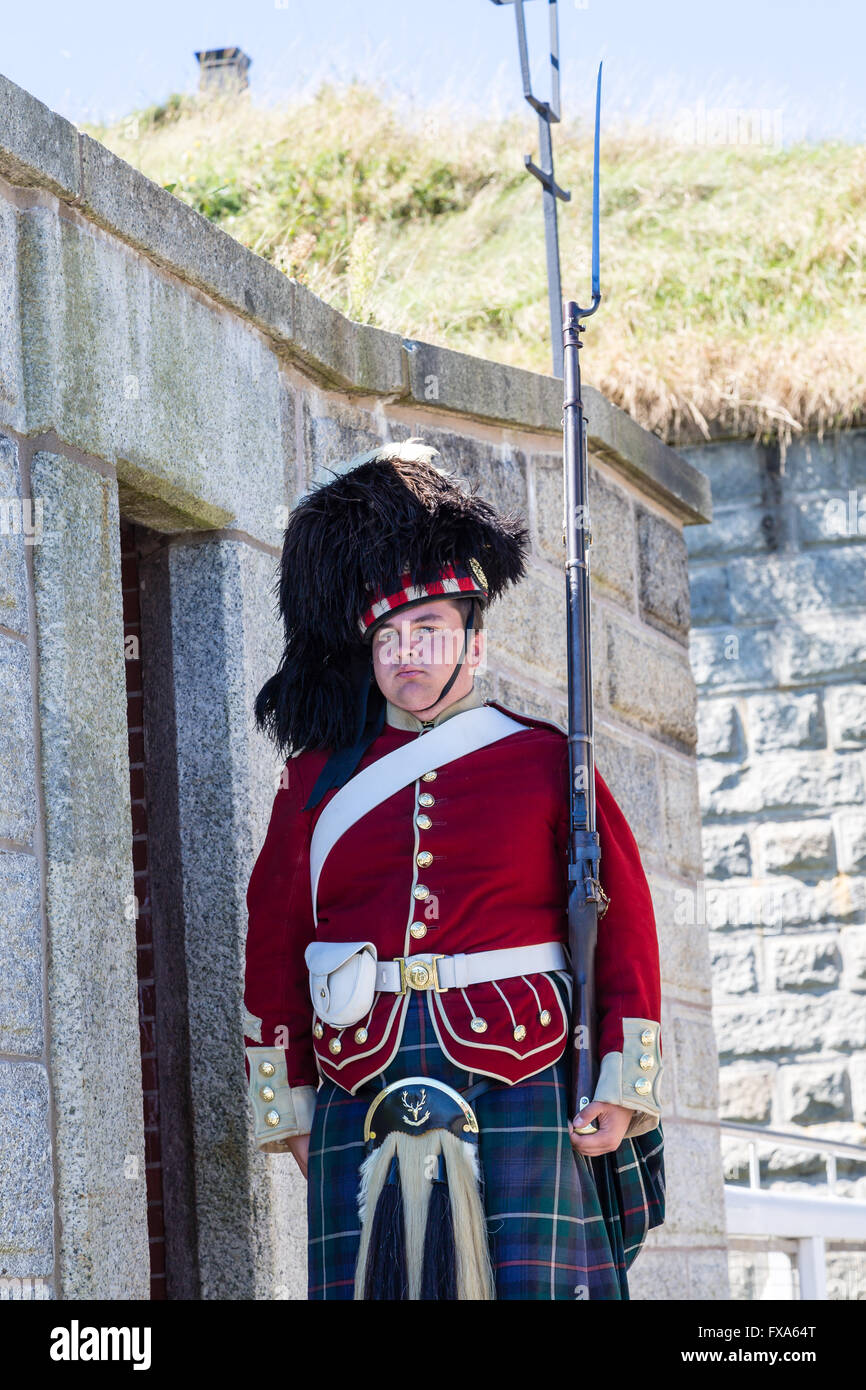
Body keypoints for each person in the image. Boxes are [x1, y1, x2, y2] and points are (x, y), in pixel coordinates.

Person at [243, 438, 664, 1300]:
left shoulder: (550, 761)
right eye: (390, 637)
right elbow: (275, 935)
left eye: (429, 630)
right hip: (363, 1072)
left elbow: (624, 930)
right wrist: (285, 1100)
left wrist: (624, 1084)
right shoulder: (316, 781)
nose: (408, 655)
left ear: (473, 638)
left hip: (522, 1064)